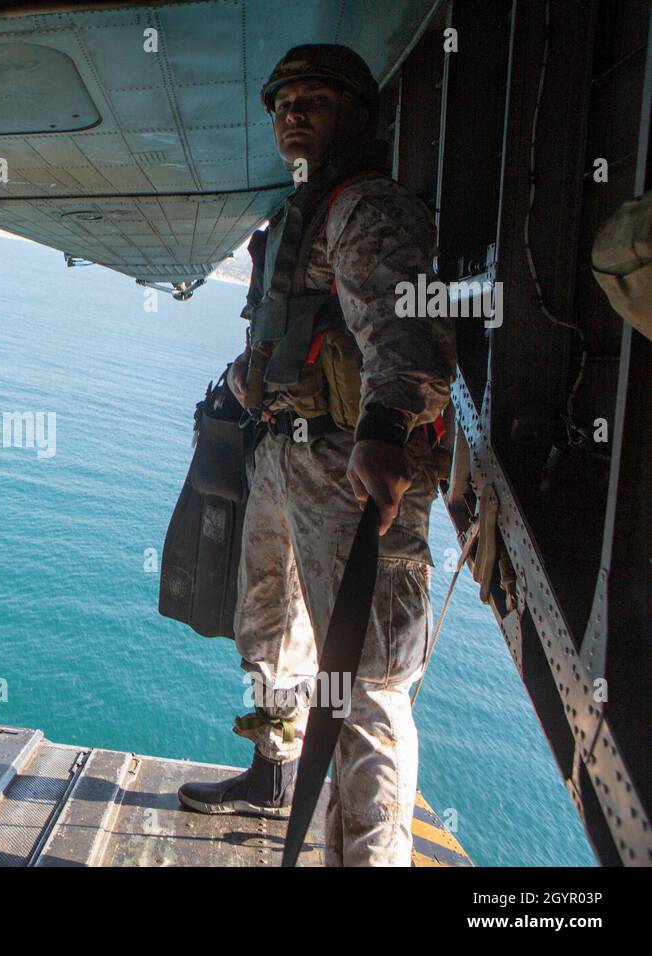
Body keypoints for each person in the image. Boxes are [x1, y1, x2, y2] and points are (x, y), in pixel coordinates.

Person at [176, 44, 456, 866]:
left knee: (365, 682)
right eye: (283, 100)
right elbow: (291, 331)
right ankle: (273, 770)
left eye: (316, 99)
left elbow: (406, 328)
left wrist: (385, 432)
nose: (292, 111)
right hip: (281, 453)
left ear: (359, 115)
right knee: (267, 630)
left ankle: (369, 859)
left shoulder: (366, 205)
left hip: (347, 467)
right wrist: (238, 389)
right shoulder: (303, 206)